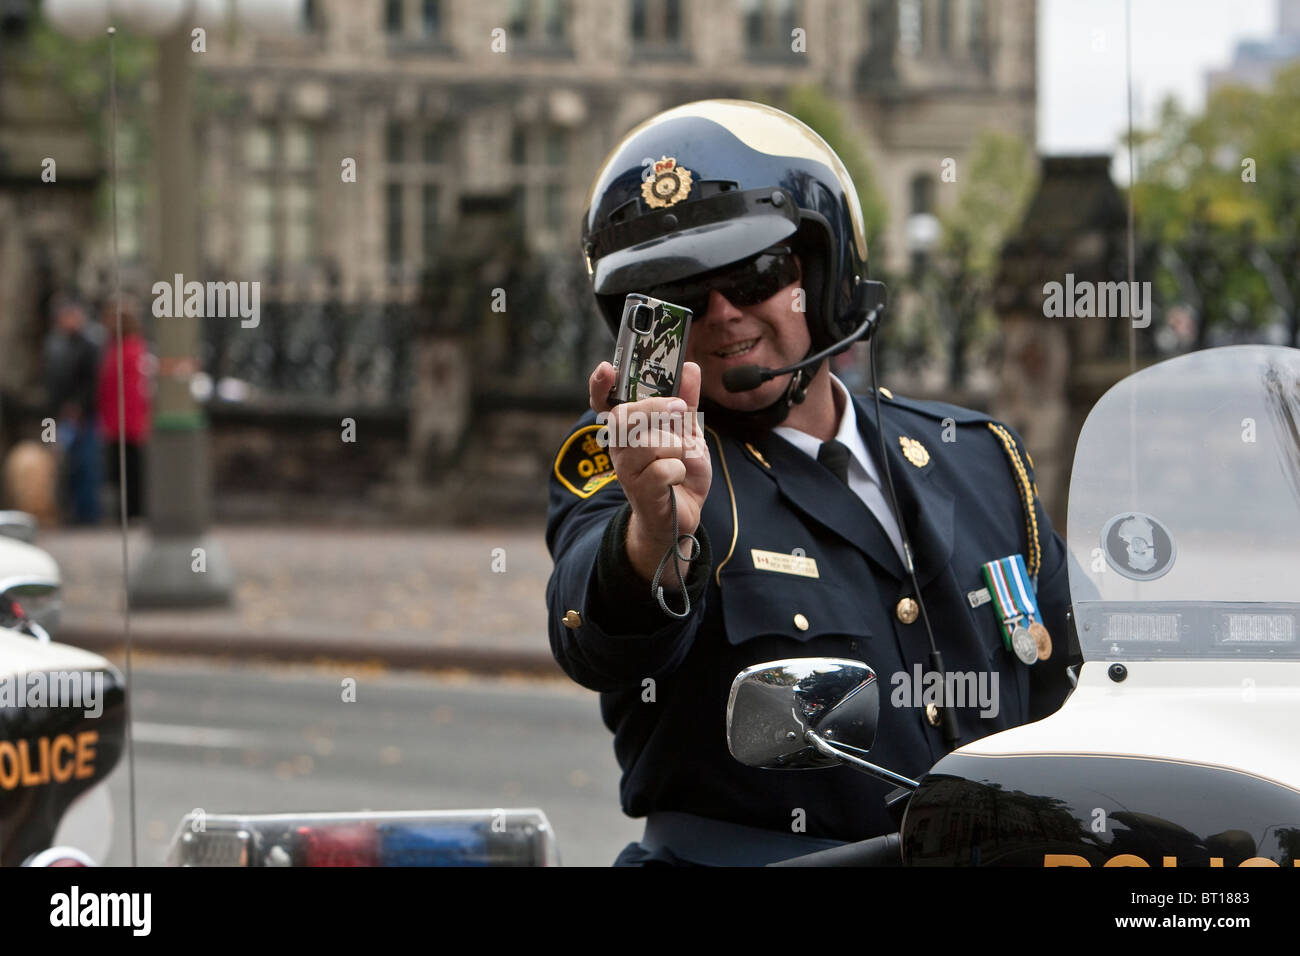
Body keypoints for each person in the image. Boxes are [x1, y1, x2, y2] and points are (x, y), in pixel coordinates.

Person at [545, 100, 1075, 866]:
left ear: (823, 275)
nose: (724, 314)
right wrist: (655, 537)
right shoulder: (641, 470)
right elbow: (596, 637)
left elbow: (1085, 686)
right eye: (683, 297)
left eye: (756, 273)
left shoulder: (979, 458)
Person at [42, 296, 103, 525]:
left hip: (83, 413)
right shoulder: (56, 344)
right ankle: (69, 509)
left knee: (86, 463)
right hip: (60, 413)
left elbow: (90, 381)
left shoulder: (89, 345)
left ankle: (88, 513)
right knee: (64, 463)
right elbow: (53, 379)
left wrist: (78, 405)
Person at [97, 295, 153, 520]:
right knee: (121, 469)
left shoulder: (131, 349)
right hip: (117, 418)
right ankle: (126, 510)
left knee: (130, 469)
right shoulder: (117, 348)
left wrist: (131, 422)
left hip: (126, 420)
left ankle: (133, 511)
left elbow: (132, 391)